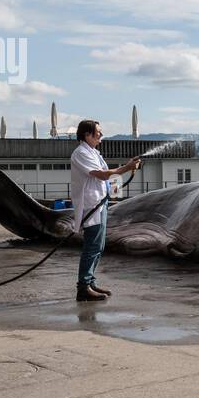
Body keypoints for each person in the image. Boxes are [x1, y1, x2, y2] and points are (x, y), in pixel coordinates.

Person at [70, 119, 140, 302]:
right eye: (98, 132)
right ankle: (83, 287)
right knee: (92, 246)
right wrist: (127, 168)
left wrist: (123, 176)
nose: (101, 135)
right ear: (87, 135)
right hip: (91, 206)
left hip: (100, 204)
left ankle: (90, 282)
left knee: (99, 246)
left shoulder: (93, 153)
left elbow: (107, 176)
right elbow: (100, 175)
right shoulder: (81, 153)